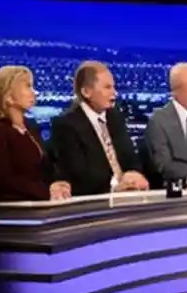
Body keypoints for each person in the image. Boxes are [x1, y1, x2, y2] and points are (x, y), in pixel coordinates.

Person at [49, 61, 148, 196]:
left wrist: (133, 174)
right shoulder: (66, 125)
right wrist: (115, 187)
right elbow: (78, 175)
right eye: (107, 87)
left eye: (113, 87)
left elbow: (130, 157)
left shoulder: (115, 117)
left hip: (126, 195)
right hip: (95, 200)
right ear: (86, 92)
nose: (114, 93)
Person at [0, 66, 70, 202]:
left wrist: (56, 185)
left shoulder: (30, 129)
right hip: (8, 211)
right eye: (28, 87)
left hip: (34, 204)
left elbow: (40, 173)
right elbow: (3, 181)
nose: (34, 93)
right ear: (9, 97)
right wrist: (46, 192)